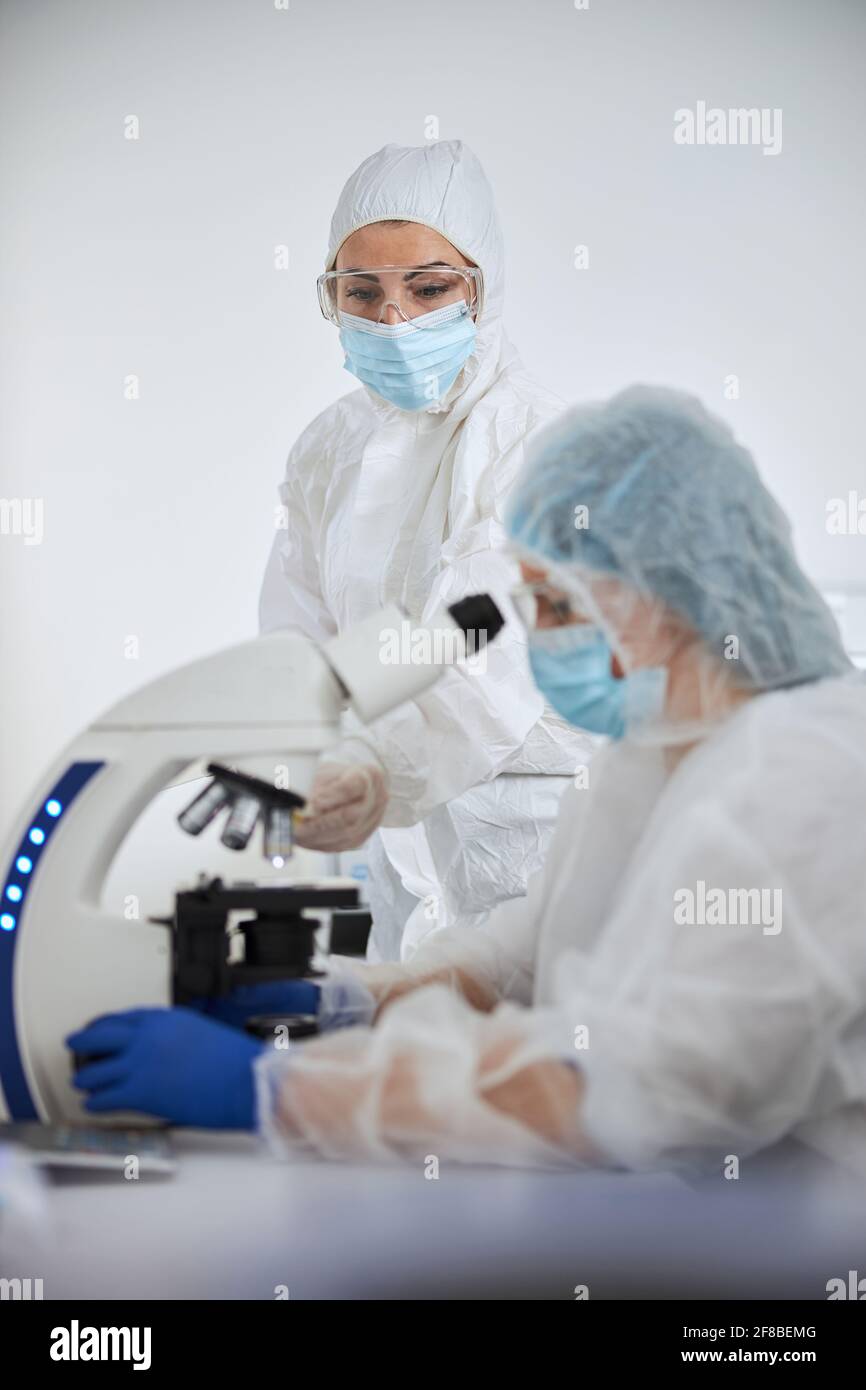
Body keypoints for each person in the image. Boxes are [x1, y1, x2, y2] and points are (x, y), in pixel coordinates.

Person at [69, 386, 866, 1179]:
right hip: (662, 1223)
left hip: (791, 1238)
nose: (537, 637)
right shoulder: (638, 767)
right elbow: (513, 967)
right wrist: (332, 1003)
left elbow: (643, 1093)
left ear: (668, 593)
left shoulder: (799, 774)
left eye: (556, 604)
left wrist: (277, 1090)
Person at [258, 140, 592, 961]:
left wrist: (372, 770)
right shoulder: (327, 448)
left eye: (430, 287)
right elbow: (297, 636)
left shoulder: (539, 444)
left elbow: (485, 641)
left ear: (484, 289)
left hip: (545, 855)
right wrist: (294, 757)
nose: (395, 319)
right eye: (362, 292)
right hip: (402, 862)